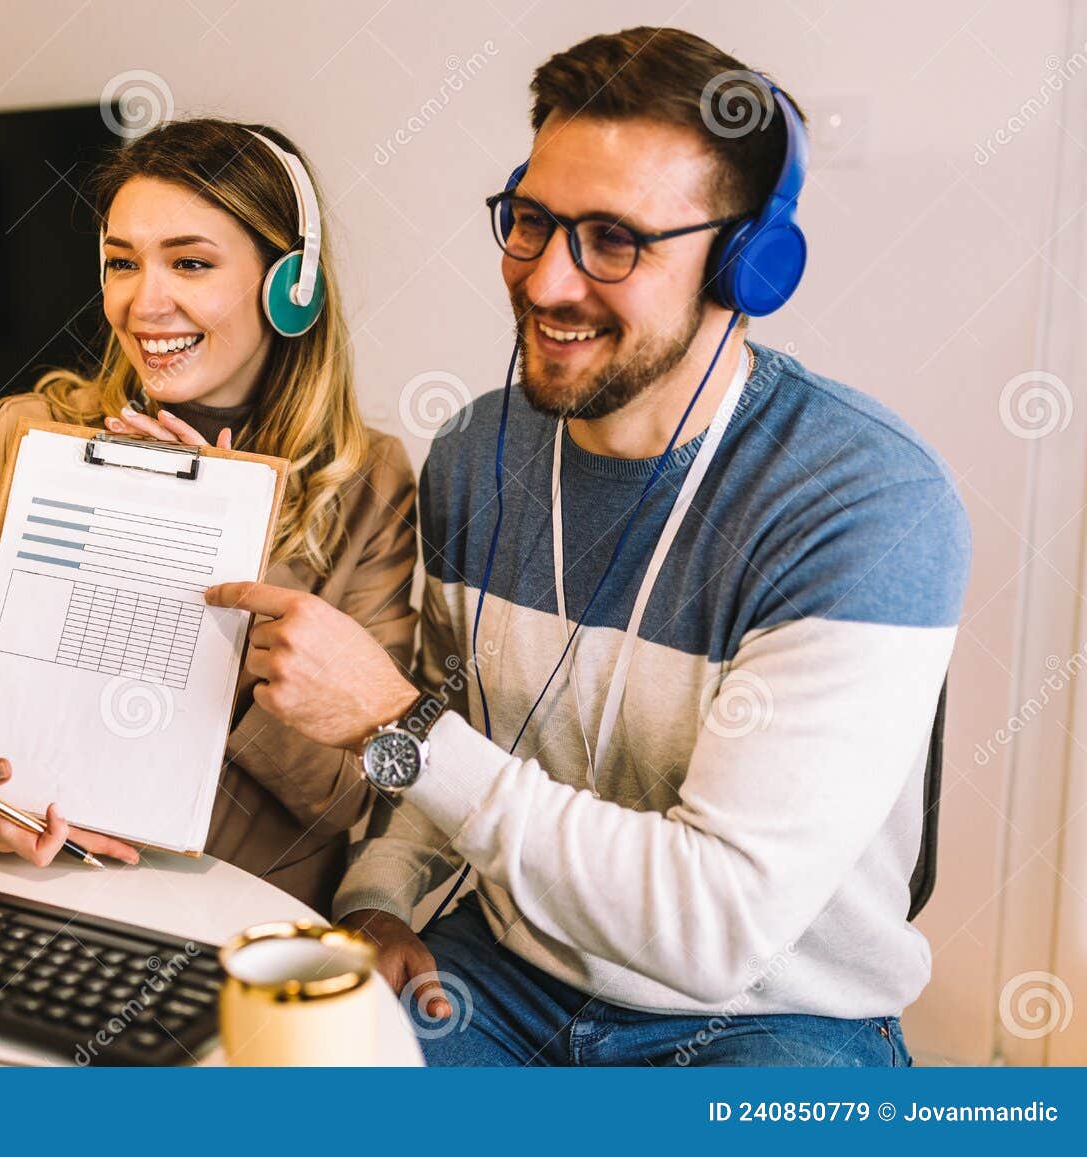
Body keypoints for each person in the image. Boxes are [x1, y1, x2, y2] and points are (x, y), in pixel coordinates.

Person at [205, 27, 971, 1065]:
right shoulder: (476, 451)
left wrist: (395, 720)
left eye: (613, 238)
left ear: (746, 264)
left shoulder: (862, 499)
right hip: (506, 970)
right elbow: (451, 758)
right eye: (531, 222)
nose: (547, 281)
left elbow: (712, 927)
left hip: (767, 1014)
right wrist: (379, 904)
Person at [0, 118, 419, 912]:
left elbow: (347, 798)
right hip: (16, 883)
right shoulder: (29, 434)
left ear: (291, 285)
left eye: (191, 263)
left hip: (229, 914)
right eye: (122, 263)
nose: (144, 302)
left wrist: (214, 549)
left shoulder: (368, 480)